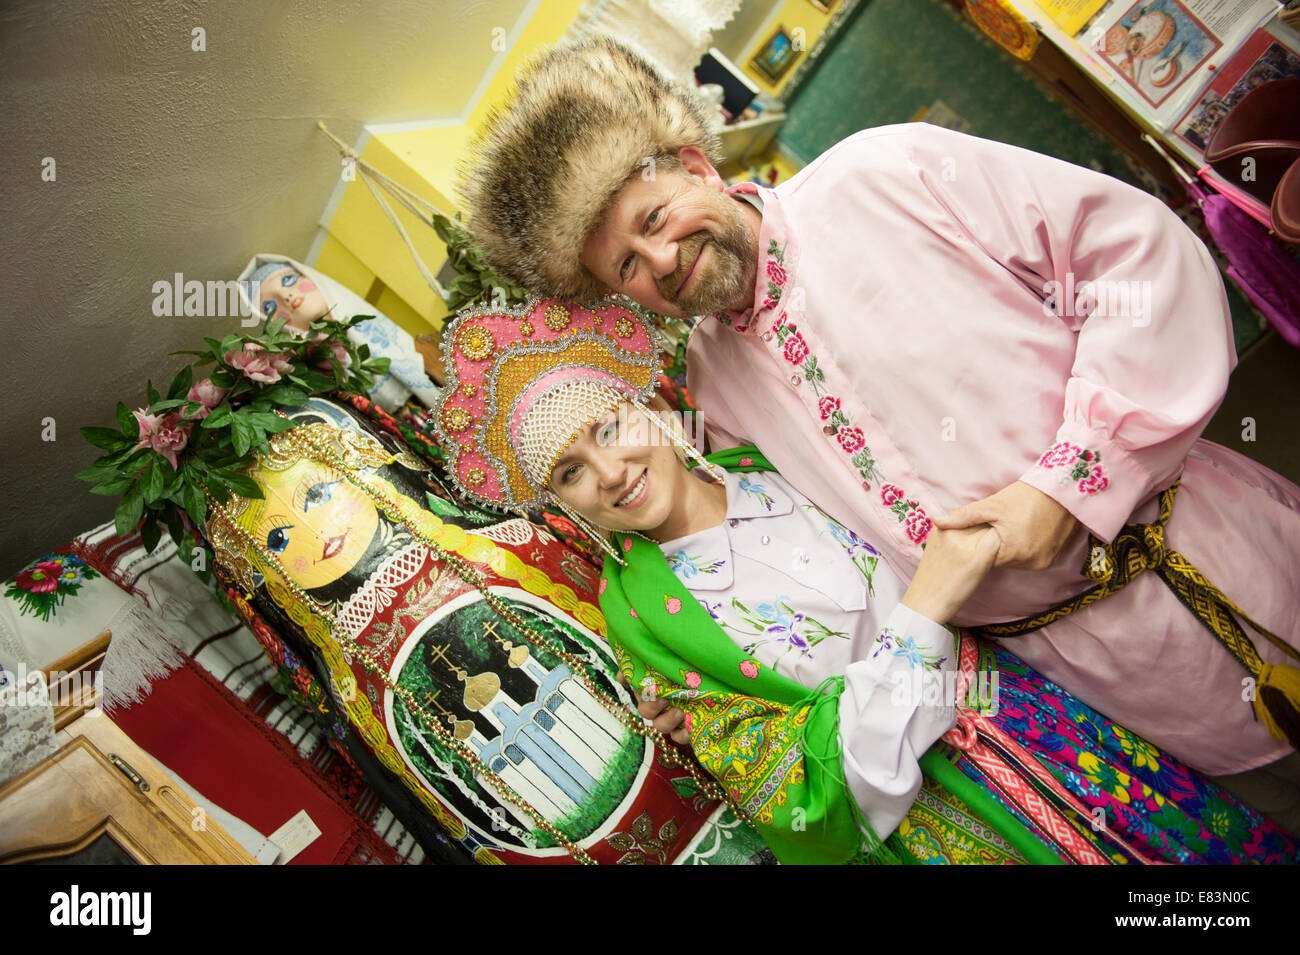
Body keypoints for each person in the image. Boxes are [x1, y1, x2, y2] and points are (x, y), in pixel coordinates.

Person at [456, 37, 1300, 826]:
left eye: (653, 219)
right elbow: (796, 565)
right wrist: (711, 704)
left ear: (696, 164)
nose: (664, 261)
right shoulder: (712, 390)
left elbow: (1133, 262)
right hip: (1102, 690)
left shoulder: (882, 173)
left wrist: (1074, 482)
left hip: (1221, 548)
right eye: (628, 267)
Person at [432, 294, 1298, 864]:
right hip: (958, 823)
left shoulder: (772, 457)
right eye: (571, 472)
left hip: (1060, 717)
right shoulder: (643, 621)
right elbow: (804, 804)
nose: (610, 470)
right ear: (562, 504)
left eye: (608, 426)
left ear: (652, 405)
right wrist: (927, 610)